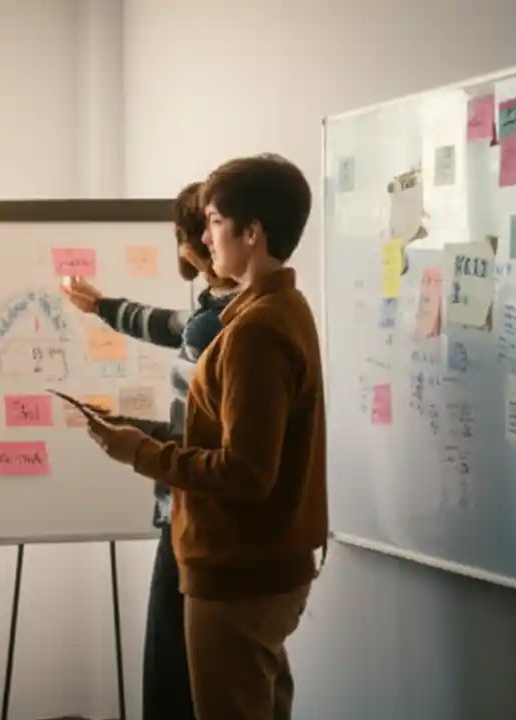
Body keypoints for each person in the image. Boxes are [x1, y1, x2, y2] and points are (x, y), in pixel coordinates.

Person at [86, 154, 326, 720]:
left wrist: (140, 452)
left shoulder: (255, 331)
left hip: (237, 570)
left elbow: (245, 471)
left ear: (252, 232)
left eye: (214, 220)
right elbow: (228, 433)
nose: (204, 236)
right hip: (267, 564)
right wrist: (141, 431)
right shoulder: (280, 308)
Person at [60, 181, 239, 720]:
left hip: (198, 514)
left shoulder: (231, 322)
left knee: (173, 674)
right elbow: (173, 325)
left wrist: (136, 439)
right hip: (194, 509)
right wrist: (104, 307)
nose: (195, 246)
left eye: (206, 230)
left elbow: (214, 448)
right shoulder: (223, 309)